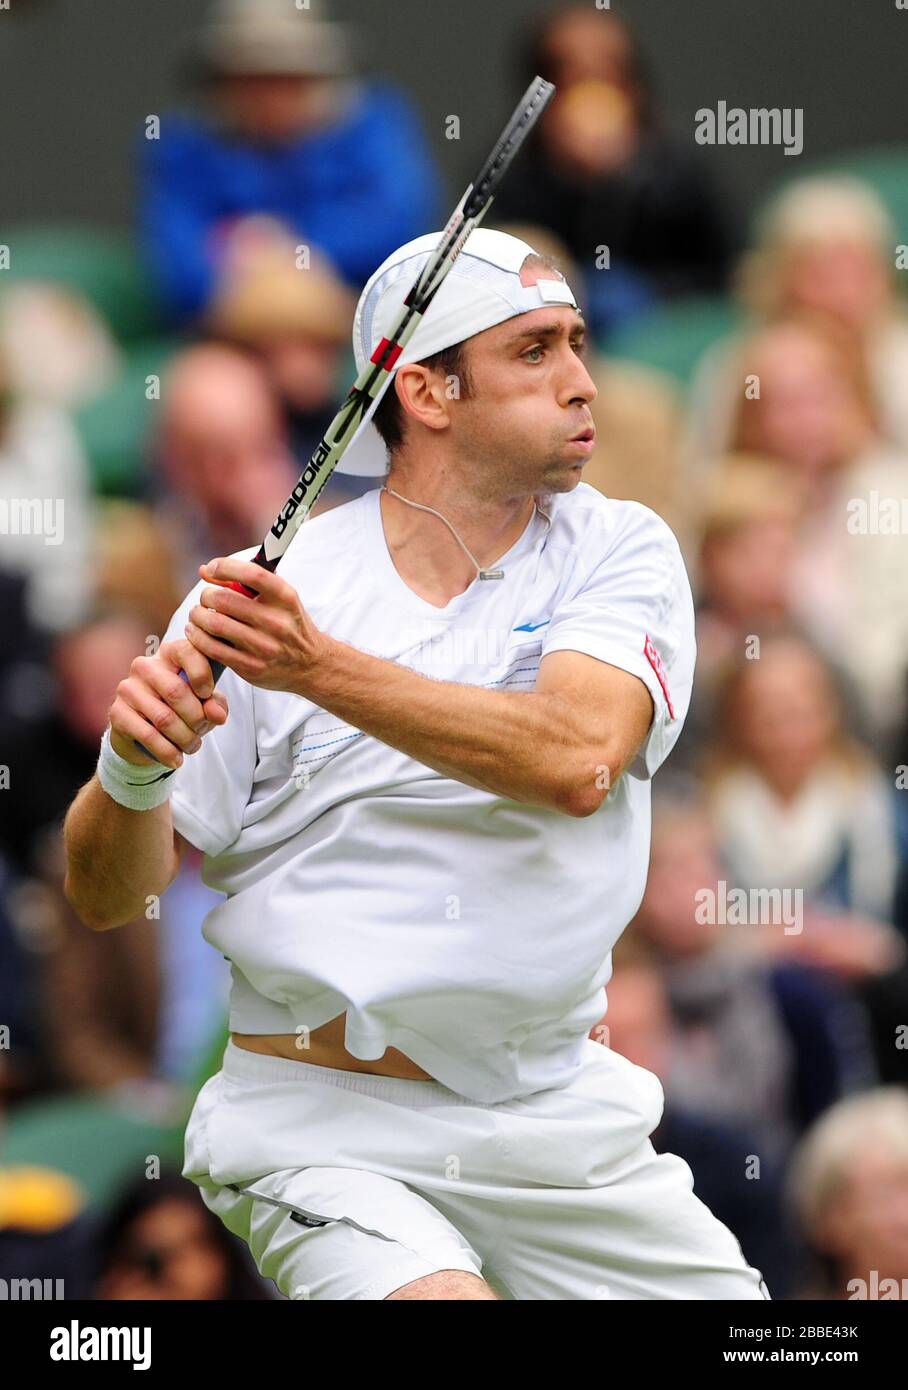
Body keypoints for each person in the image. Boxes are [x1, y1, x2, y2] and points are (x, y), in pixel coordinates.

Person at [62, 227, 770, 1301]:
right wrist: (132, 769)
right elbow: (108, 896)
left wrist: (321, 671)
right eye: (533, 352)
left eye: (576, 342)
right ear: (429, 394)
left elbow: (578, 757)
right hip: (319, 1119)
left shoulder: (620, 548)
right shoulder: (264, 594)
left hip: (554, 1114)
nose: (582, 381)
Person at [138, 0, 443, 327]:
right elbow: (178, 262)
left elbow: (398, 222)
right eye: (253, 79)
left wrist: (290, 251)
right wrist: (252, 277)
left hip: (356, 313)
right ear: (224, 81)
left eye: (288, 78)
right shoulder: (184, 146)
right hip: (225, 324)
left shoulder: (373, 126)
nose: (271, 97)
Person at [490, 6, 736, 340]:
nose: (591, 85)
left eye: (608, 70)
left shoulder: (679, 166)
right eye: (570, 73)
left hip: (662, 335)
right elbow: (497, 270)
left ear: (634, 86)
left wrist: (622, 177)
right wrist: (570, 179)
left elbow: (720, 273)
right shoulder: (510, 165)